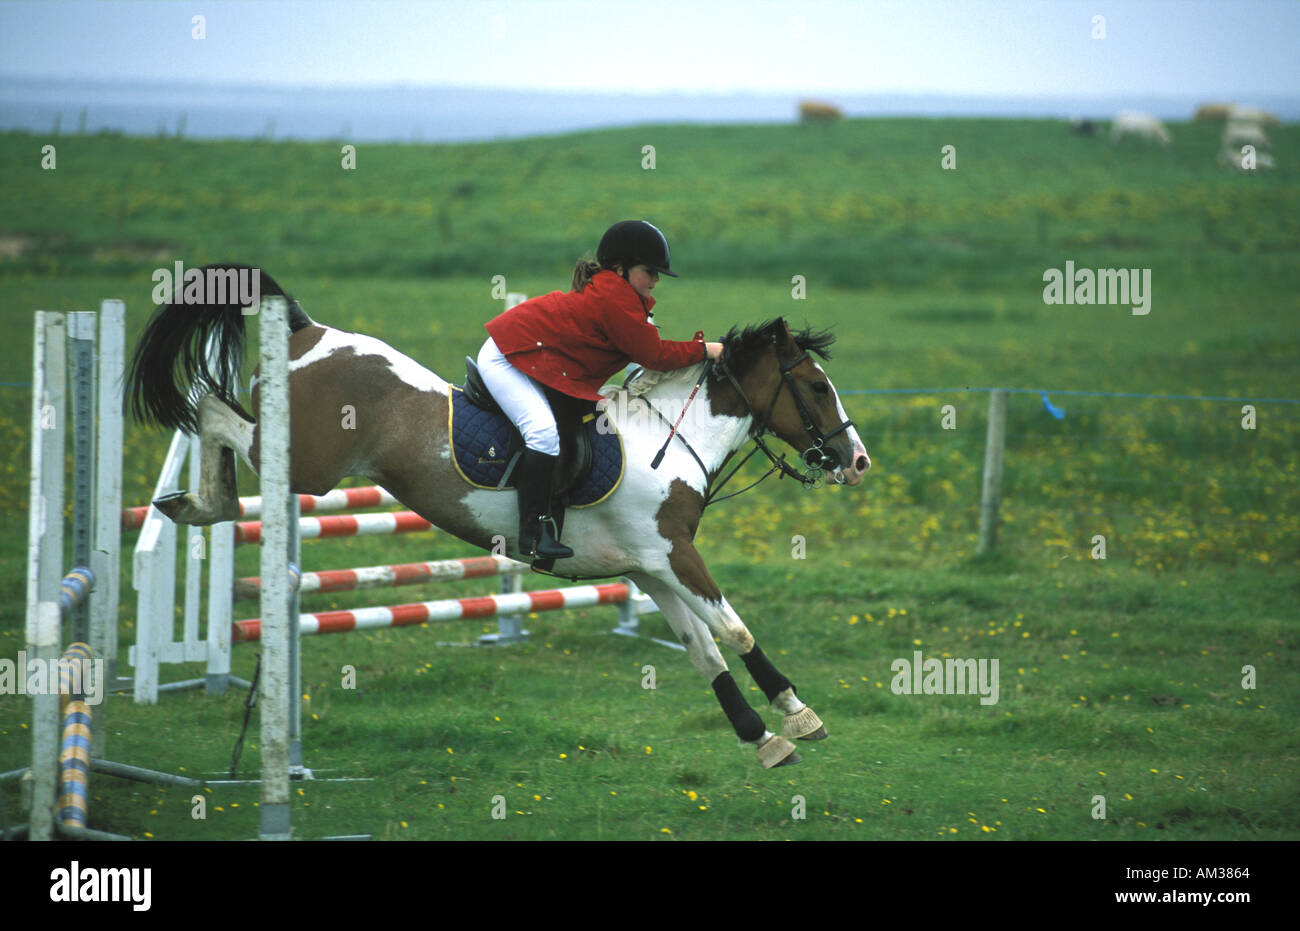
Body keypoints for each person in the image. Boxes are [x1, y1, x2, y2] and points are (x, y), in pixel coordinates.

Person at [478, 220, 725, 560]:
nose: (655, 281)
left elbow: (640, 356)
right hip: (508, 355)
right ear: (620, 269)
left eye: (657, 274)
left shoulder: (622, 296)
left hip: (533, 358)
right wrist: (704, 349)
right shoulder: (615, 298)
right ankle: (533, 535)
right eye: (649, 272)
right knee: (543, 434)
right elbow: (654, 354)